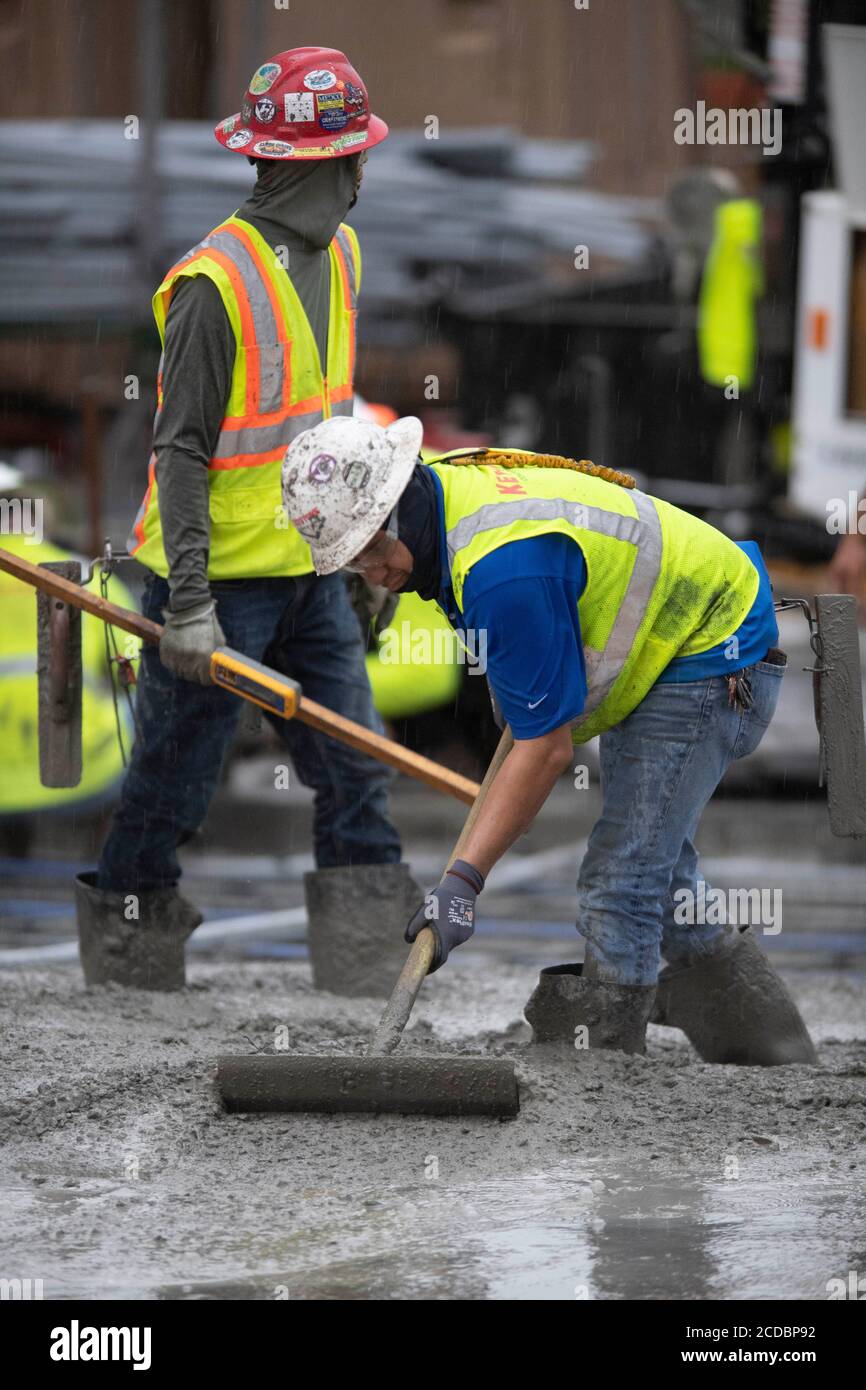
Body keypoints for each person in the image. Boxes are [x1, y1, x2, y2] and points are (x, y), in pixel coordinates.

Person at [280, 415, 817, 1065]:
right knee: (654, 866)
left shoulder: (502, 570)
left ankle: (605, 1068)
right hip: (676, 633)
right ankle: (770, 1051)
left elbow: (546, 749)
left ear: (397, 508)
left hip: (711, 649)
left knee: (623, 878)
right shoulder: (445, 489)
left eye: (369, 550)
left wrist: (461, 884)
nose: (370, 573)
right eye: (352, 562)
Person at [76, 48, 419, 991]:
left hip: (311, 572)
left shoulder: (340, 256)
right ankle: (129, 957)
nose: (363, 175)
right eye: (355, 156)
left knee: (356, 763)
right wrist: (187, 600)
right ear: (325, 166)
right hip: (218, 580)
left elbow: (328, 424)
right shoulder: (211, 287)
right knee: (174, 785)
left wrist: (362, 554)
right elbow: (178, 451)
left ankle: (364, 975)